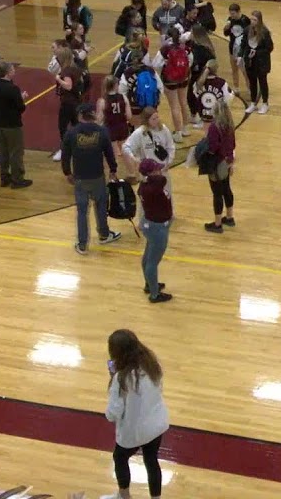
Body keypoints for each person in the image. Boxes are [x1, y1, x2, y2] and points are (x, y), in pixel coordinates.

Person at [106, 329, 170, 495]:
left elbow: (113, 414)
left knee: (120, 458)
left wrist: (113, 378)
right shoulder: (152, 365)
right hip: (156, 425)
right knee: (151, 460)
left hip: (134, 431)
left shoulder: (121, 379)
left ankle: (124, 496)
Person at [62, 103, 123, 254]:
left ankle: (82, 245)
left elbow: (65, 155)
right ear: (92, 115)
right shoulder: (102, 131)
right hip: (97, 176)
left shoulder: (71, 133)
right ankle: (103, 234)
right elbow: (109, 153)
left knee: (82, 212)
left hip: (80, 178)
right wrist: (113, 170)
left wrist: (67, 172)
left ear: (80, 116)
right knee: (101, 206)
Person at [136, 160, 174, 303]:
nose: (160, 171)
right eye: (156, 169)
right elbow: (162, 180)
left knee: (148, 257)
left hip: (150, 225)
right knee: (153, 261)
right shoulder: (154, 187)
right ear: (150, 173)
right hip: (157, 228)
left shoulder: (145, 185)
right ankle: (154, 294)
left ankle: (149, 283)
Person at [0, 61, 32, 189]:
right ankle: (17, 179)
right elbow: (20, 108)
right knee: (16, 152)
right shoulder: (13, 88)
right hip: (13, 125)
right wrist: (21, 98)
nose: (14, 71)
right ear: (8, 72)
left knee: (3, 152)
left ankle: (4, 177)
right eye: (13, 70)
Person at [148, 27, 192, 138]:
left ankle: (178, 133)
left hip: (170, 80)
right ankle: (186, 129)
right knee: (184, 102)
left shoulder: (165, 49)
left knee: (174, 106)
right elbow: (190, 61)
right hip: (184, 78)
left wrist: (166, 66)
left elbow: (156, 64)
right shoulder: (185, 48)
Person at [203, 99, 236, 233]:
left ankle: (217, 224)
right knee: (227, 188)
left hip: (217, 162)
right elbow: (233, 144)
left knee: (217, 193)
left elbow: (212, 147)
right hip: (228, 160)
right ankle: (229, 217)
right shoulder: (230, 125)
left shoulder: (214, 127)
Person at [124, 107, 177, 184]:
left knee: (165, 193)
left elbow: (170, 146)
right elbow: (126, 147)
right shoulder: (140, 132)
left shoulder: (163, 129)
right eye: (153, 119)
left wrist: (169, 162)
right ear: (147, 120)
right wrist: (134, 158)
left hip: (163, 169)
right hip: (148, 172)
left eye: (157, 117)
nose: (157, 120)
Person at [51, 46, 84, 161]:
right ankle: (79, 148)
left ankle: (64, 150)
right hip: (77, 101)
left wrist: (58, 79)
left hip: (68, 103)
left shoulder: (66, 71)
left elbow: (68, 86)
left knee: (63, 127)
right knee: (76, 125)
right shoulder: (75, 68)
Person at [241, 10, 274, 114]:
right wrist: (241, 55)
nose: (252, 21)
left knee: (263, 82)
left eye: (255, 20)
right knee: (252, 82)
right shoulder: (246, 30)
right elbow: (243, 44)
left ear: (259, 20)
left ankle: (265, 103)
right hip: (250, 61)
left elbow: (269, 48)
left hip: (261, 62)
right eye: (251, 19)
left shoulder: (264, 32)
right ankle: (253, 103)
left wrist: (257, 52)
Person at [185, 24, 217, 129]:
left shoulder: (203, 48)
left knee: (198, 96)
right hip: (196, 75)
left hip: (202, 75)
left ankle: (201, 117)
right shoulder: (193, 45)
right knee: (191, 95)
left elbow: (209, 61)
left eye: (191, 32)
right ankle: (194, 115)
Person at [192, 59, 234, 126]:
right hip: (217, 115)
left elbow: (196, 94)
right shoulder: (221, 82)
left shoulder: (198, 82)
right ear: (216, 69)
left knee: (207, 134)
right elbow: (228, 98)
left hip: (203, 114)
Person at [222, 3, 249, 90]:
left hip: (242, 49)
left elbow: (249, 35)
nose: (231, 15)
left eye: (233, 14)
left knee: (245, 71)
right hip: (232, 47)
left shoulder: (245, 20)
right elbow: (226, 34)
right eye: (230, 13)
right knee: (234, 69)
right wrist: (226, 28)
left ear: (238, 12)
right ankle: (236, 87)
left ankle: (249, 88)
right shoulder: (230, 20)